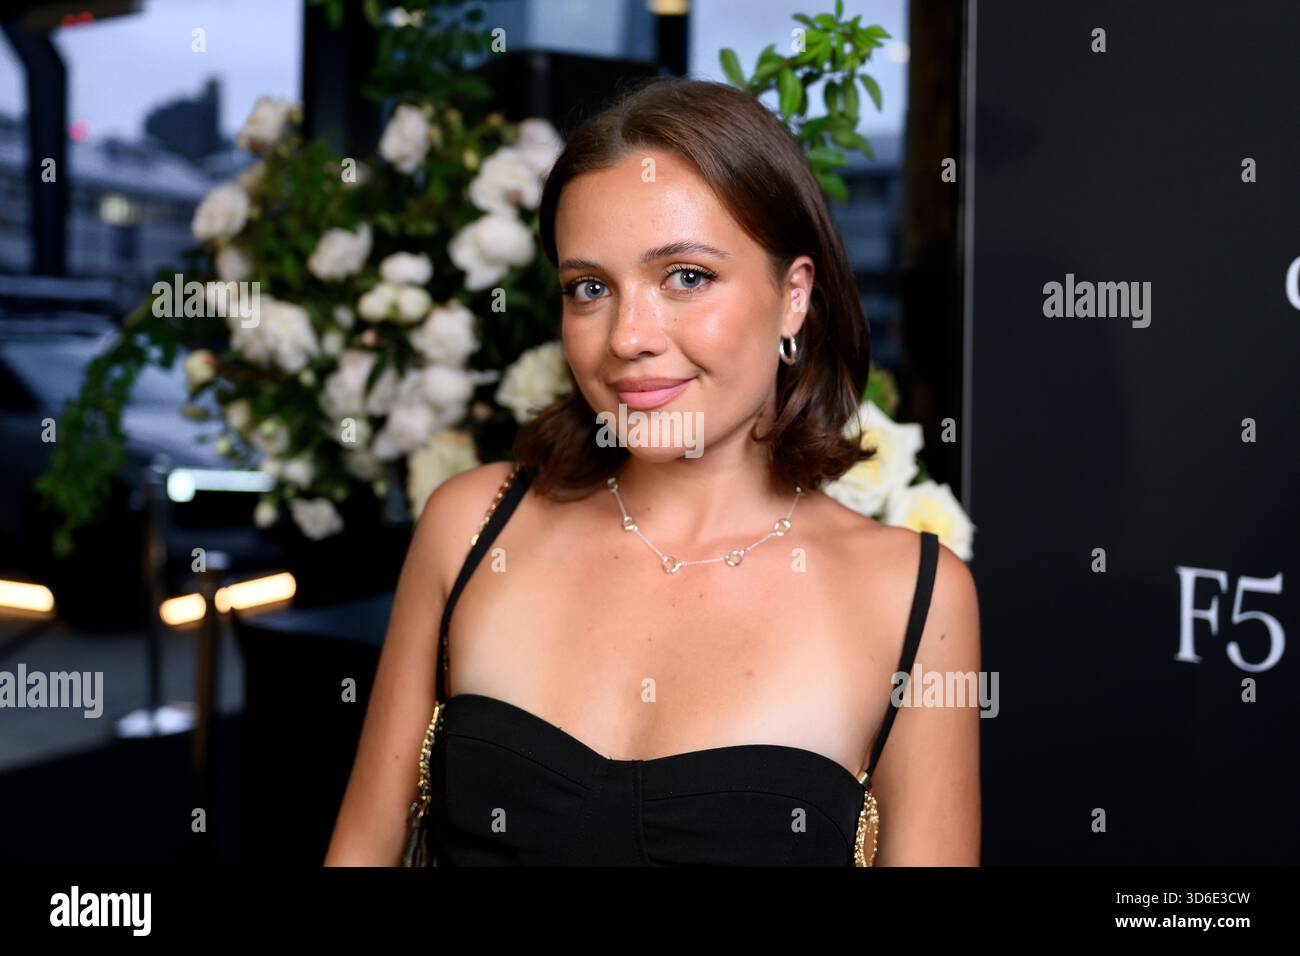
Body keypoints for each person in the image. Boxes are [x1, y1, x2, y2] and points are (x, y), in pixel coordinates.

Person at [325, 77, 980, 866]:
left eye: (686, 277)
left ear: (794, 296)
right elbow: (360, 851)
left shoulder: (914, 597)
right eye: (590, 288)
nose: (628, 336)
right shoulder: (471, 526)